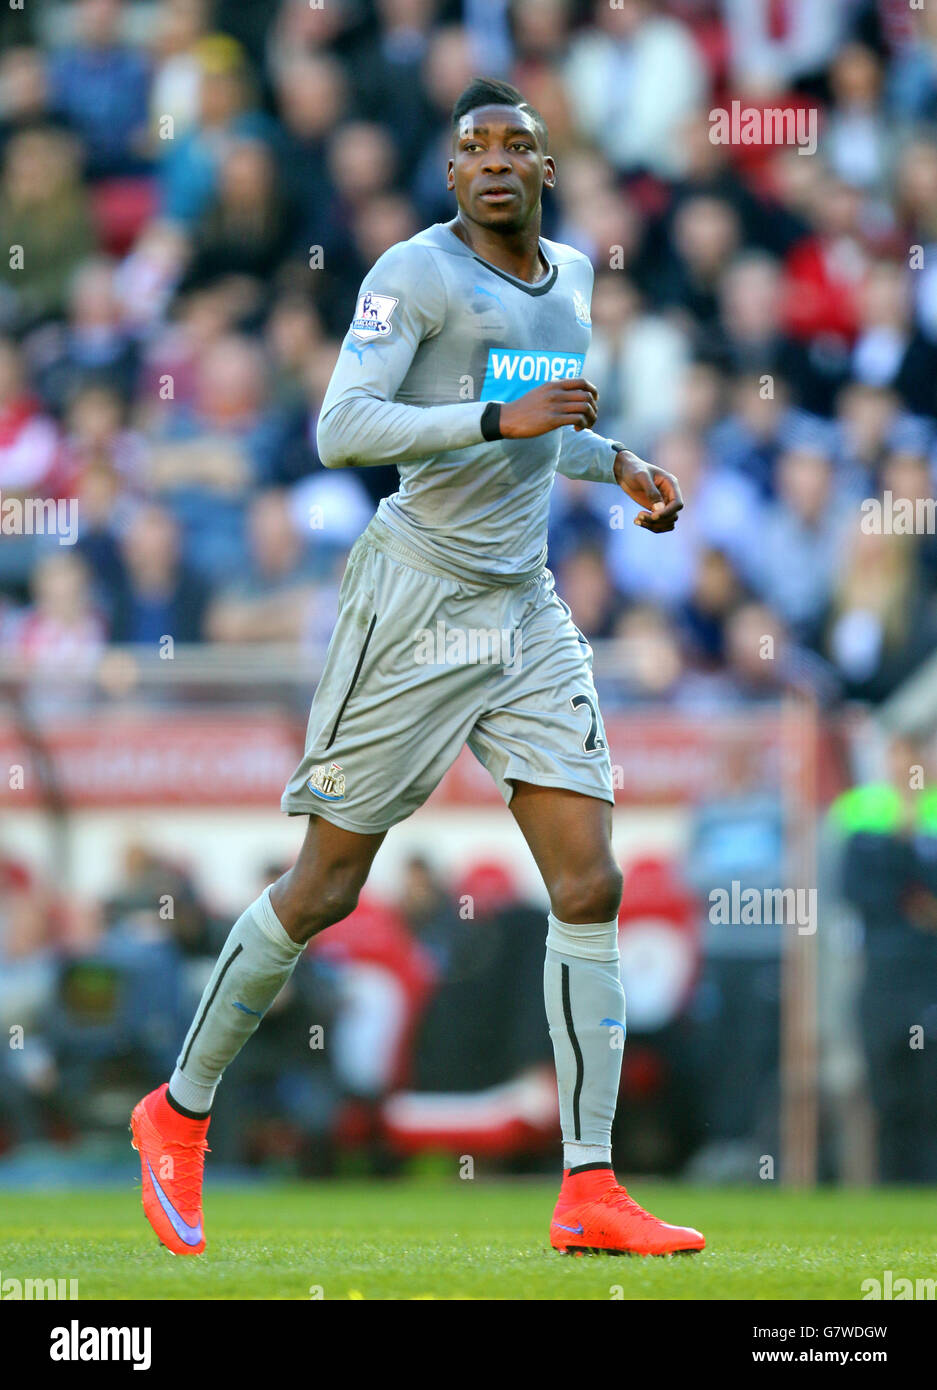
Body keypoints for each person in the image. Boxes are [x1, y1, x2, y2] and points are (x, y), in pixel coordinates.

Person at [130, 77, 703, 1258]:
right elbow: (346, 426)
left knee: (587, 880)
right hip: (415, 600)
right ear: (452, 176)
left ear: (547, 171)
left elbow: (542, 422)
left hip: (524, 609)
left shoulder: (577, 281)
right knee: (328, 884)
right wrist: (502, 425)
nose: (495, 161)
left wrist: (620, 465)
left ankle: (587, 1184)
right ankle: (177, 1109)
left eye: (519, 146)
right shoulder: (412, 275)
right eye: (473, 148)